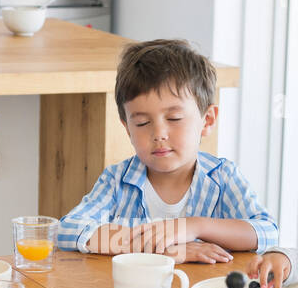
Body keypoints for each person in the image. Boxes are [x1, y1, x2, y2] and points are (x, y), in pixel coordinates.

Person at [58, 39, 278, 263]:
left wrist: (194, 226)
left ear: (207, 120)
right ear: (127, 129)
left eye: (174, 118)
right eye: (142, 123)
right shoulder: (117, 180)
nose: (159, 134)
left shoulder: (223, 177)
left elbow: (266, 233)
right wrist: (167, 251)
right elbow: (68, 230)